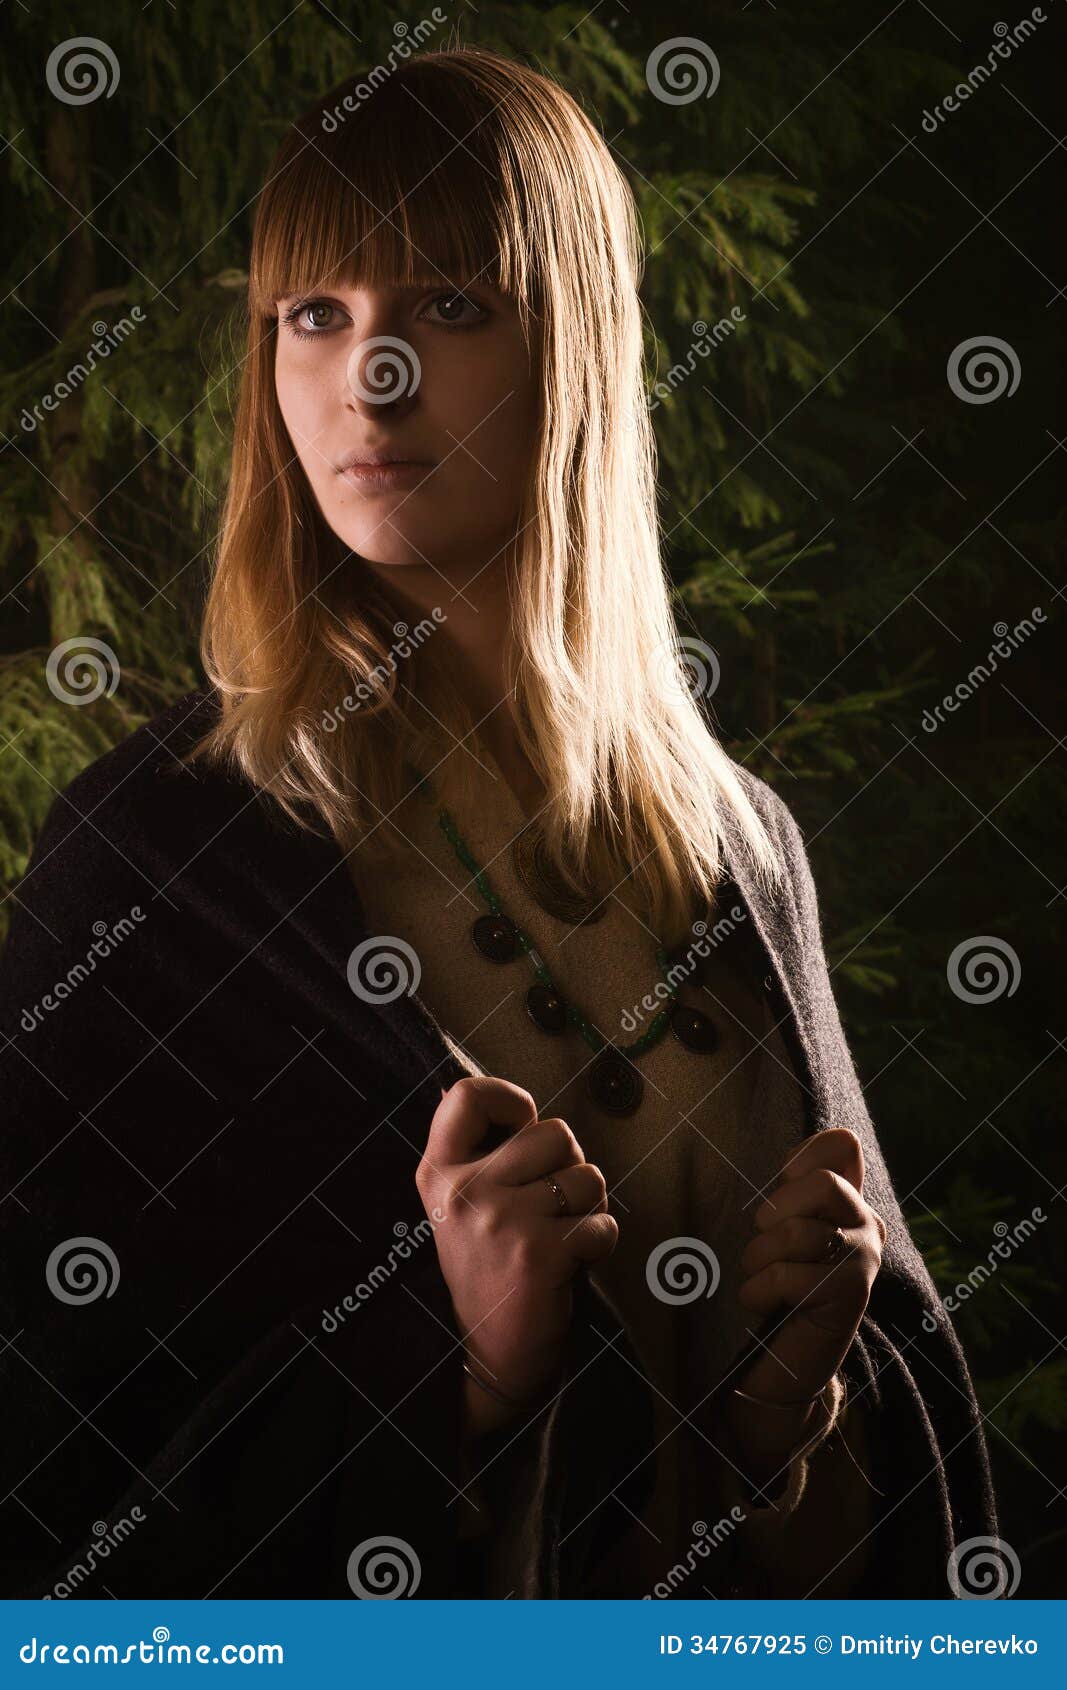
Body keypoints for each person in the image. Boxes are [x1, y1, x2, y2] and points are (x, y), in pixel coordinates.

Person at [0, 47, 996, 1601]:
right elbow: (59, 1492)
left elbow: (870, 1497)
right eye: (315, 315)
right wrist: (458, 1381)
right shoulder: (159, 862)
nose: (370, 375)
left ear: (576, 350)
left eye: (449, 305)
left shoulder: (738, 842)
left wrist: (791, 1396)